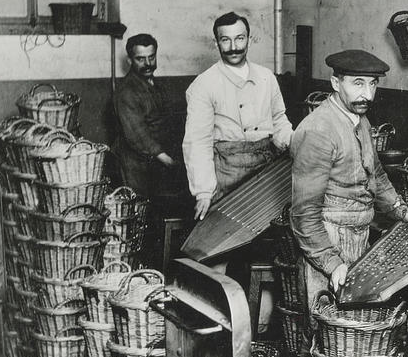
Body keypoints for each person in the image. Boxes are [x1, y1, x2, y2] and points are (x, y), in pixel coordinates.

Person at [290, 49, 408, 308]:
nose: (367, 94)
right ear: (335, 83)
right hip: (327, 242)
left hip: (358, 237)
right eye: (358, 83)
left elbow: (374, 171)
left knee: (354, 327)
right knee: (326, 332)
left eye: (372, 83)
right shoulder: (317, 130)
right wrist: (332, 265)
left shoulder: (360, 120)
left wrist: (400, 210)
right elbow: (304, 214)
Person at [183, 12, 294, 220]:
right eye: (226, 40)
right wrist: (204, 192)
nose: (233, 47)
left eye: (239, 38)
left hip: (266, 166)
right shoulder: (204, 84)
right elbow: (197, 142)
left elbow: (279, 121)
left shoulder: (266, 77)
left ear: (248, 39)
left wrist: (296, 145)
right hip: (227, 171)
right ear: (216, 43)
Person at [112, 33, 179, 198]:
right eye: (140, 59)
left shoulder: (156, 85)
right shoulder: (126, 92)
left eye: (151, 57)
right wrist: (171, 162)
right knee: (140, 210)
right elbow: (138, 135)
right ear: (129, 60)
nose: (148, 64)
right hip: (135, 164)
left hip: (156, 162)